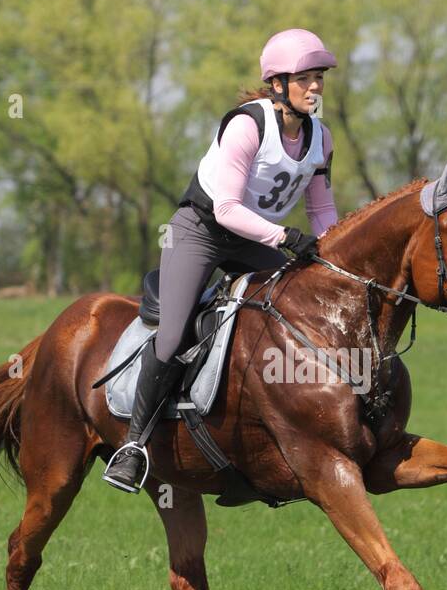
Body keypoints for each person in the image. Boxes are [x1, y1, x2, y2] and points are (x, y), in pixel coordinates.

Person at [102, 28, 341, 492]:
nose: (316, 87)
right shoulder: (247, 125)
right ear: (278, 84)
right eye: (306, 79)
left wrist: (332, 253)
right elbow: (228, 209)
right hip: (201, 230)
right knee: (171, 336)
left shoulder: (321, 139)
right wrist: (286, 237)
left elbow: (321, 209)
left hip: (255, 242)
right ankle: (133, 447)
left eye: (320, 79)